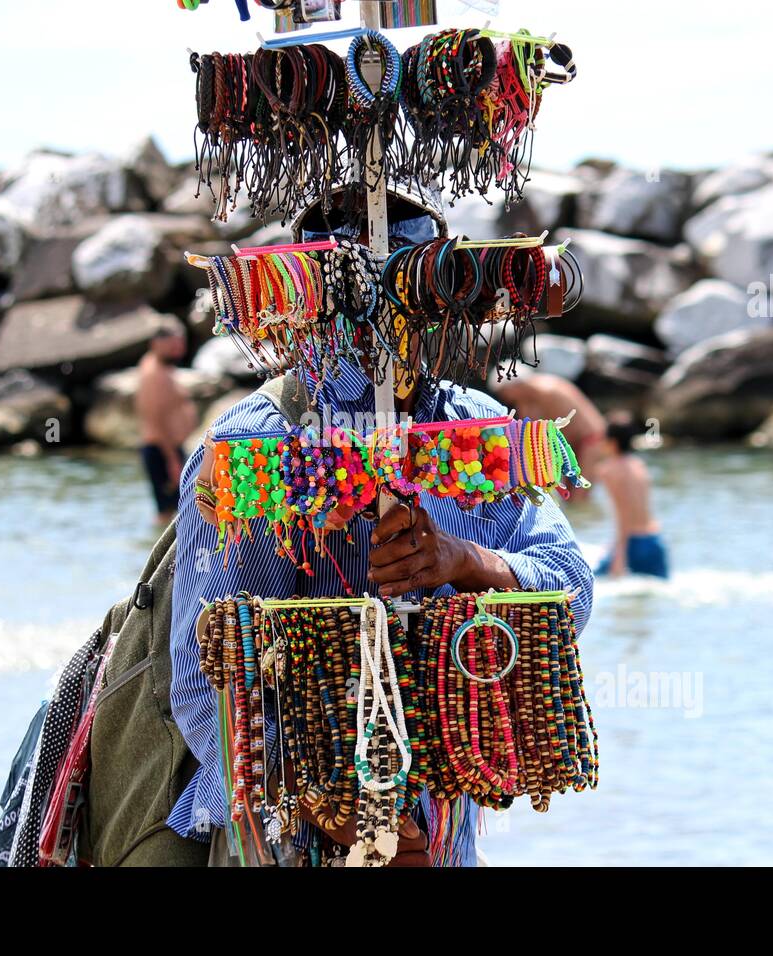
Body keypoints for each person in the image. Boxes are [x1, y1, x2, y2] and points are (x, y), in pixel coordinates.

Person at [168, 180, 596, 866]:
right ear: (309, 309)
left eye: (421, 294)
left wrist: (467, 562)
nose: (394, 324)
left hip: (442, 827)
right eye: (364, 299)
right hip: (296, 840)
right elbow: (204, 680)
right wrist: (345, 816)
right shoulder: (253, 449)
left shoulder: (477, 428)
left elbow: (572, 592)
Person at [489, 370, 607, 497]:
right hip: (574, 442)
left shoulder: (548, 390)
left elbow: (557, 431)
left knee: (579, 496)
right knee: (568, 496)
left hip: (590, 440)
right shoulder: (528, 398)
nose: (504, 398)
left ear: (514, 386)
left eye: (503, 393)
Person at [593, 411, 669, 579]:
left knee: (591, 581)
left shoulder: (608, 470)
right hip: (655, 540)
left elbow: (624, 514)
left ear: (612, 443)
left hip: (634, 544)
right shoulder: (639, 465)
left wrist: (619, 552)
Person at [135, 322, 198, 522]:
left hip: (168, 450)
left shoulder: (162, 367)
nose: (179, 349)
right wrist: (172, 460)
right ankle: (164, 552)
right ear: (156, 344)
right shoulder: (154, 373)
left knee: (178, 509)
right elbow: (155, 417)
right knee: (168, 513)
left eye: (181, 343)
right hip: (162, 451)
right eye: (174, 344)